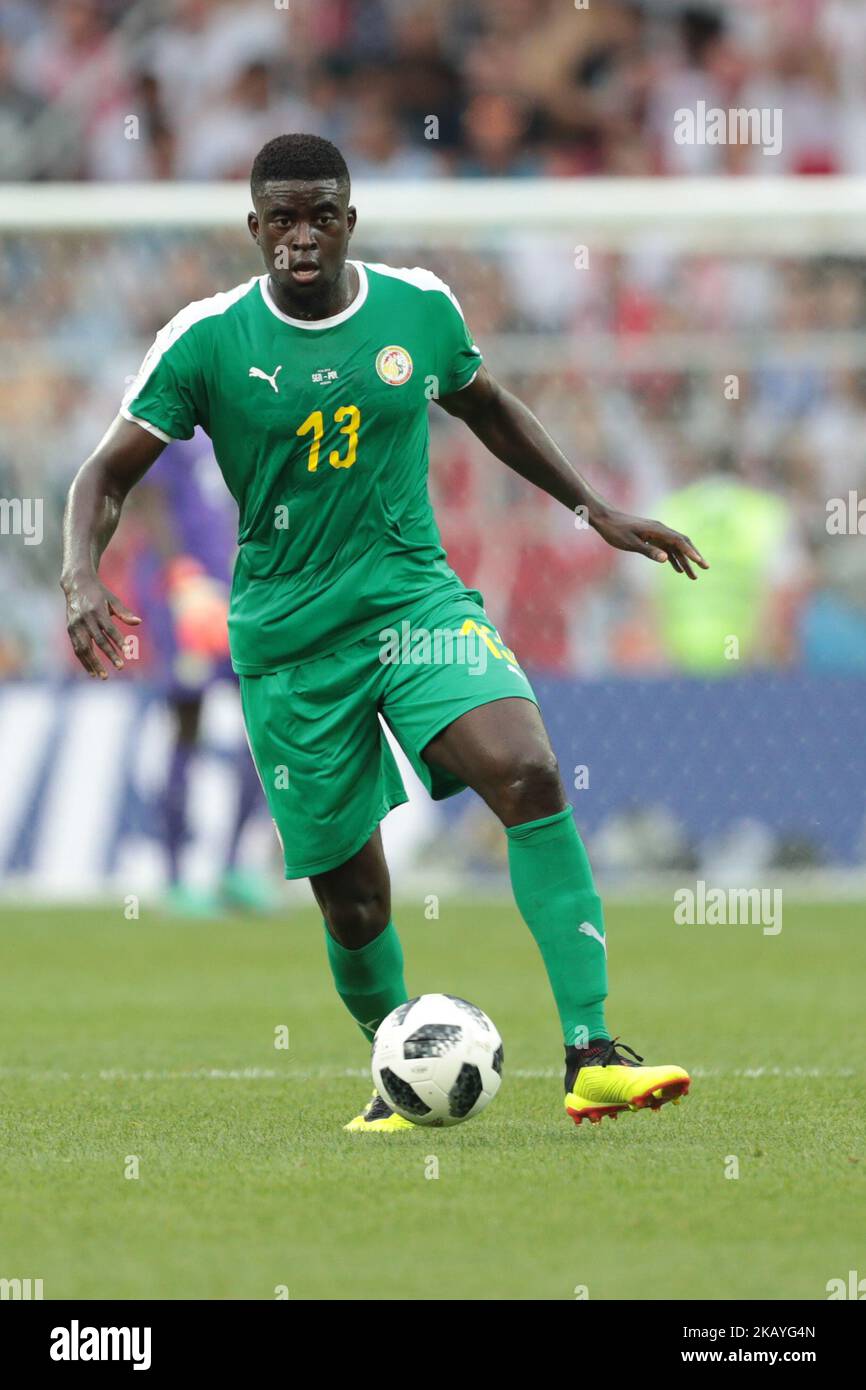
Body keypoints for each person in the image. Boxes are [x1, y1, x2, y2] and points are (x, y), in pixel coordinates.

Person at [61, 134, 707, 1132]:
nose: (302, 237)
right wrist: (78, 571)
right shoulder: (205, 340)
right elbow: (102, 475)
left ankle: (588, 1052)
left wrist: (594, 509)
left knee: (527, 772)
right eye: (282, 220)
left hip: (414, 605)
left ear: (350, 219)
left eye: (321, 215)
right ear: (254, 230)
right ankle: (399, 1065)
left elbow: (487, 407)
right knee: (355, 906)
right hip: (289, 644)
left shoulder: (418, 308)